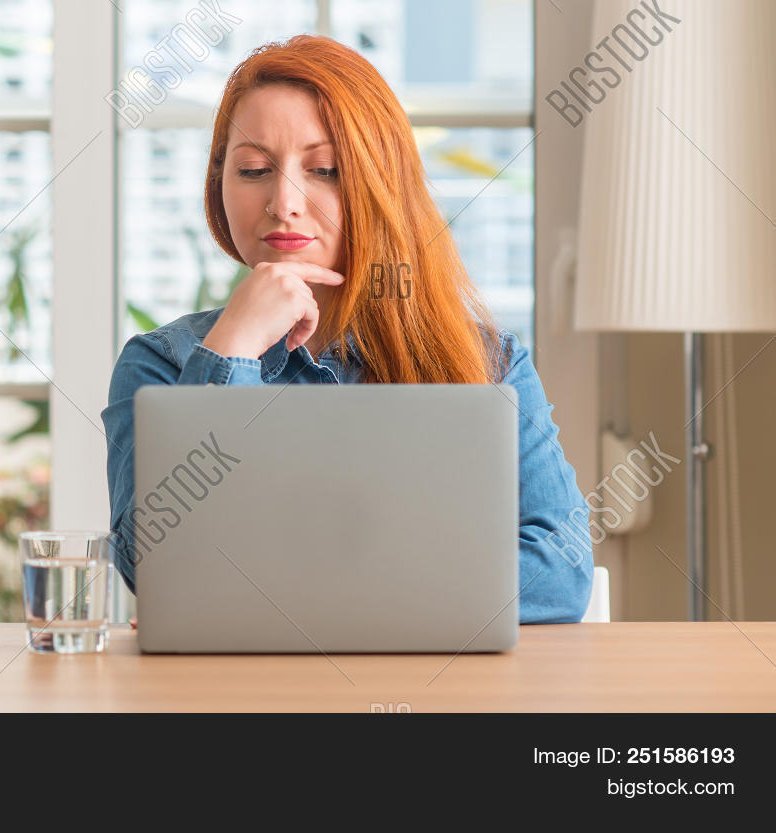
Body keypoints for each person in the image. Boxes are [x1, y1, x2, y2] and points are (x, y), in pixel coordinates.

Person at [101, 35, 594, 625]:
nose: (284, 202)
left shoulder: (488, 360)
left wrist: (294, 596)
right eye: (254, 169)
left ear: (380, 185)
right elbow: (159, 568)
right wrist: (230, 352)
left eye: (325, 169)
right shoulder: (161, 364)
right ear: (218, 184)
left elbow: (558, 572)